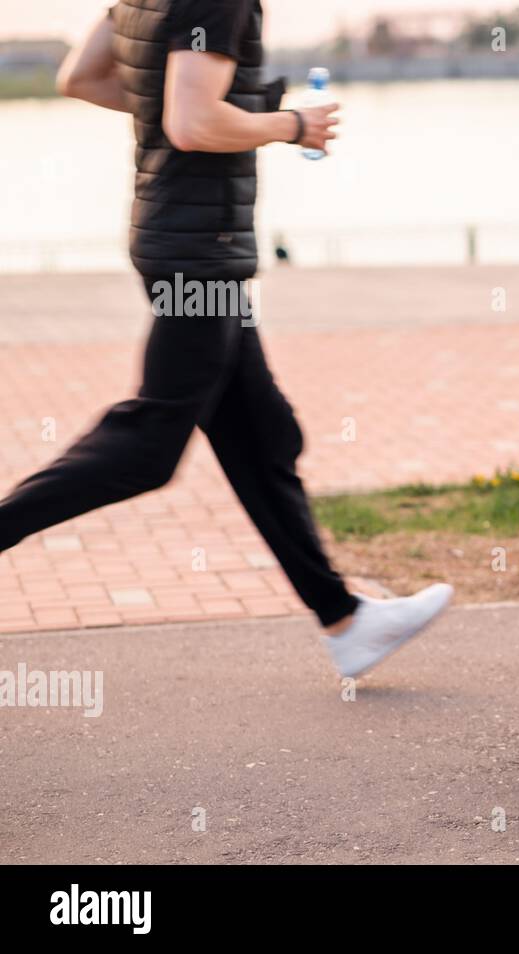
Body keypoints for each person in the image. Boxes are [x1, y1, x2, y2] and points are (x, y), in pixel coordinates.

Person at [0, 1, 451, 677]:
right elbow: (190, 122)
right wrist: (290, 123)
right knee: (150, 441)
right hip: (198, 254)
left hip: (177, 239)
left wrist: (193, 108)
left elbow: (82, 79)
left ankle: (346, 621)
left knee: (262, 435)